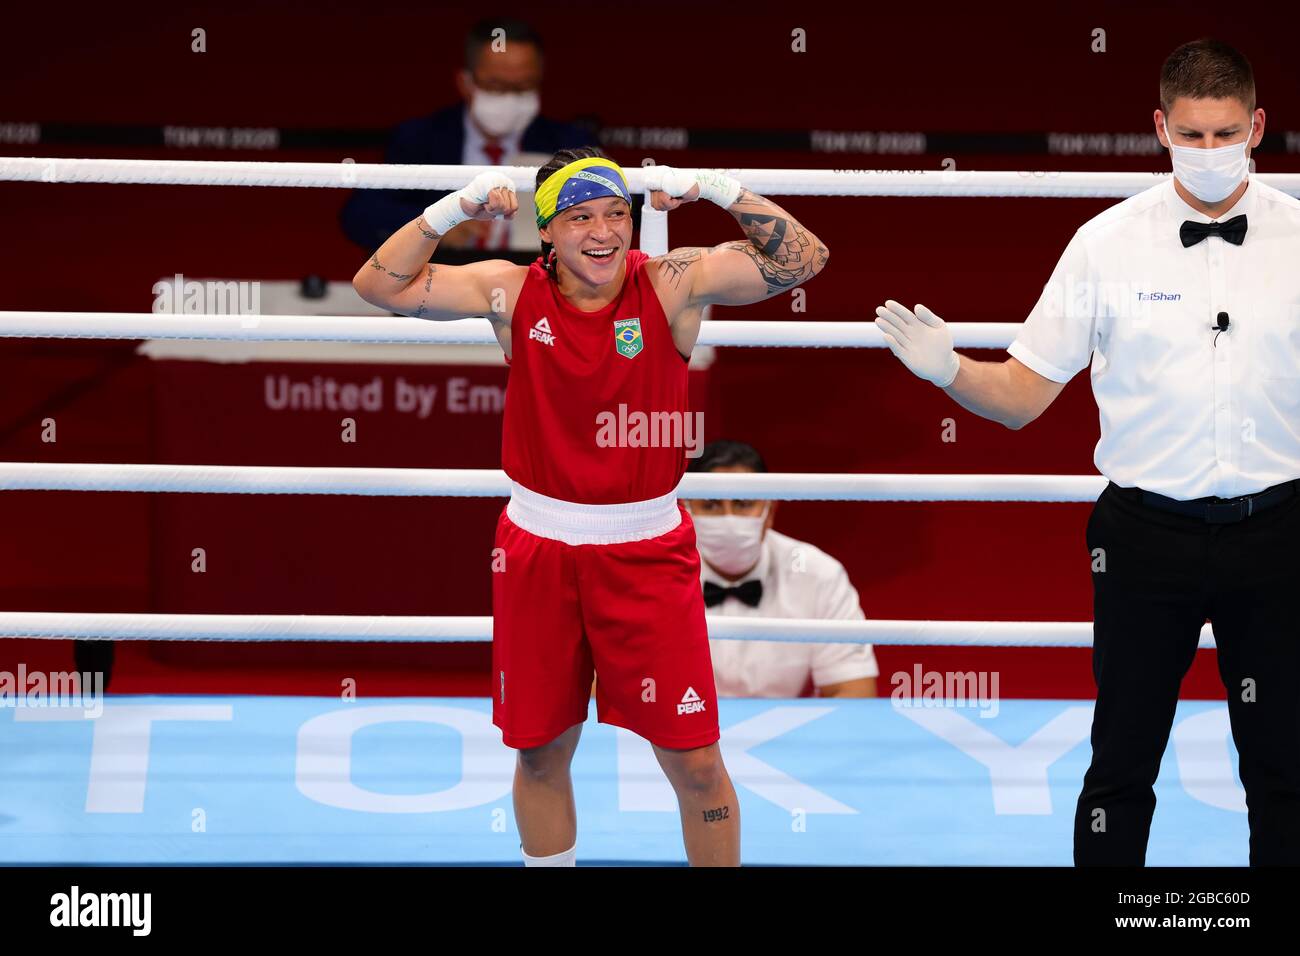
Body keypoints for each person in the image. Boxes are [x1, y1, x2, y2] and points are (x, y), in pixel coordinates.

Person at [872, 38, 1300, 866]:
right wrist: (949, 371)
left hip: (1279, 533)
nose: (1208, 152)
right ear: (1158, 128)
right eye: (1191, 135)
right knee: (1120, 764)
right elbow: (1023, 398)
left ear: (1257, 126)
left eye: (1223, 135)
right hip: (1144, 538)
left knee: (1285, 766)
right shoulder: (1104, 244)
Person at [352, 147, 830, 866]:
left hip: (648, 550)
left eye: (615, 213)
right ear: (547, 230)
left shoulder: (672, 282)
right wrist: (452, 210)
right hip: (539, 546)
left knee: (697, 762)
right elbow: (379, 286)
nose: (603, 232)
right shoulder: (507, 291)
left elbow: (805, 259)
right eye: (580, 217)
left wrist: (720, 190)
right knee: (540, 753)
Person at [338, 18, 588, 252]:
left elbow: (616, 211)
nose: (510, 98)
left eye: (524, 88)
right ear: (465, 83)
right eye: (497, 86)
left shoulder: (569, 144)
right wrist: (436, 225)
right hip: (441, 284)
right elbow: (362, 214)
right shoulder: (420, 138)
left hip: (539, 283)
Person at [684, 440, 877, 698]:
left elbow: (854, 691)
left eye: (743, 504)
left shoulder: (819, 574)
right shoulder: (657, 576)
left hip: (786, 731)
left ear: (770, 511)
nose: (728, 518)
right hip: (681, 733)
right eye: (710, 505)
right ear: (686, 510)